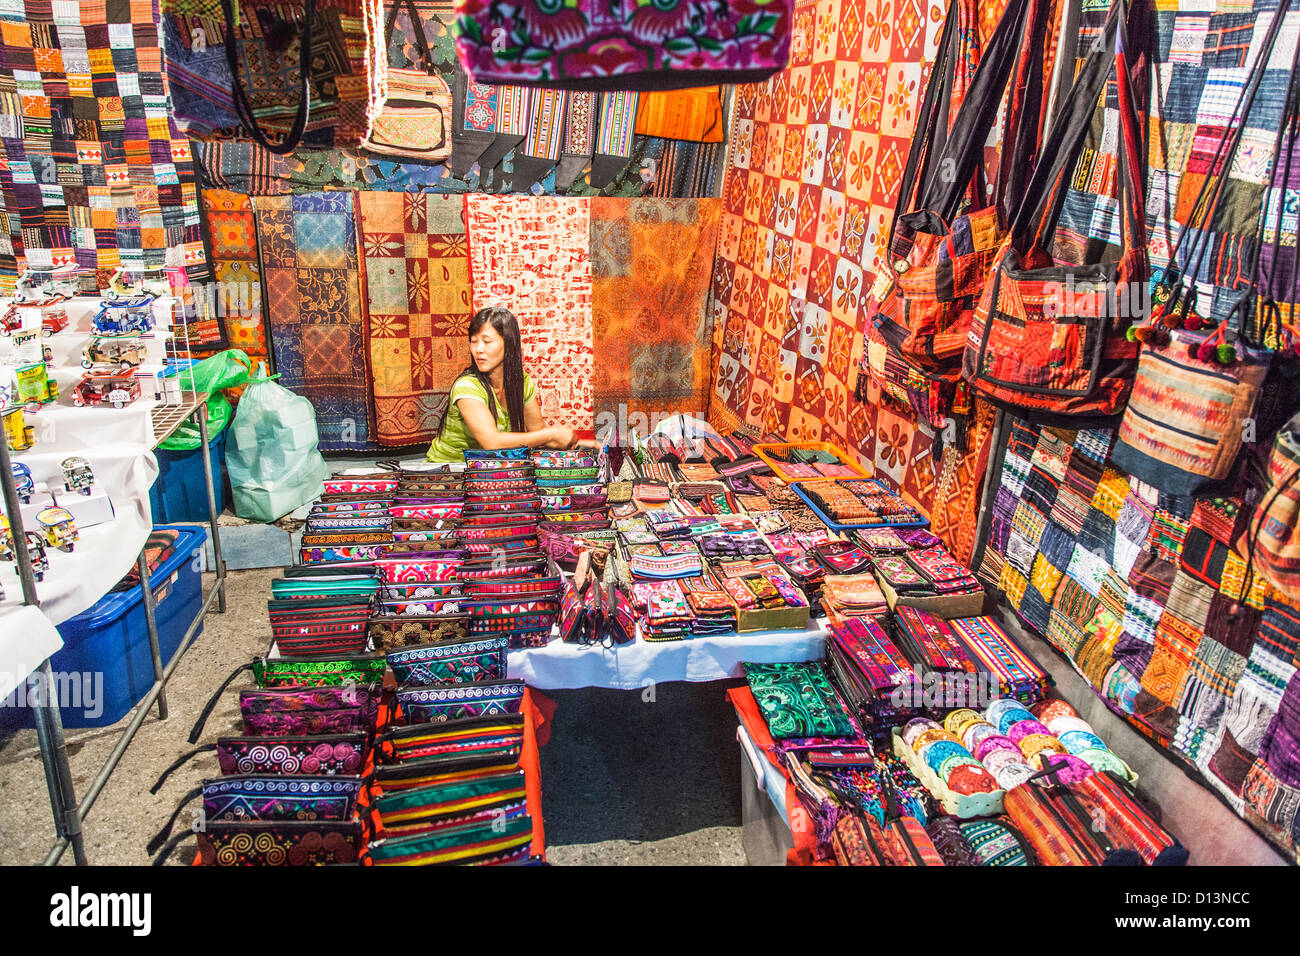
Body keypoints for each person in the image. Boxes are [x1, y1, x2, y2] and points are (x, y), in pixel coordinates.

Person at [426, 306, 600, 462]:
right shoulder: (467, 387)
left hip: (489, 469)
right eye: (473, 341)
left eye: (487, 341)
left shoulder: (521, 383)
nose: (478, 349)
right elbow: (492, 442)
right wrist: (552, 433)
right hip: (450, 471)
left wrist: (581, 445)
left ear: (508, 344)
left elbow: (537, 432)